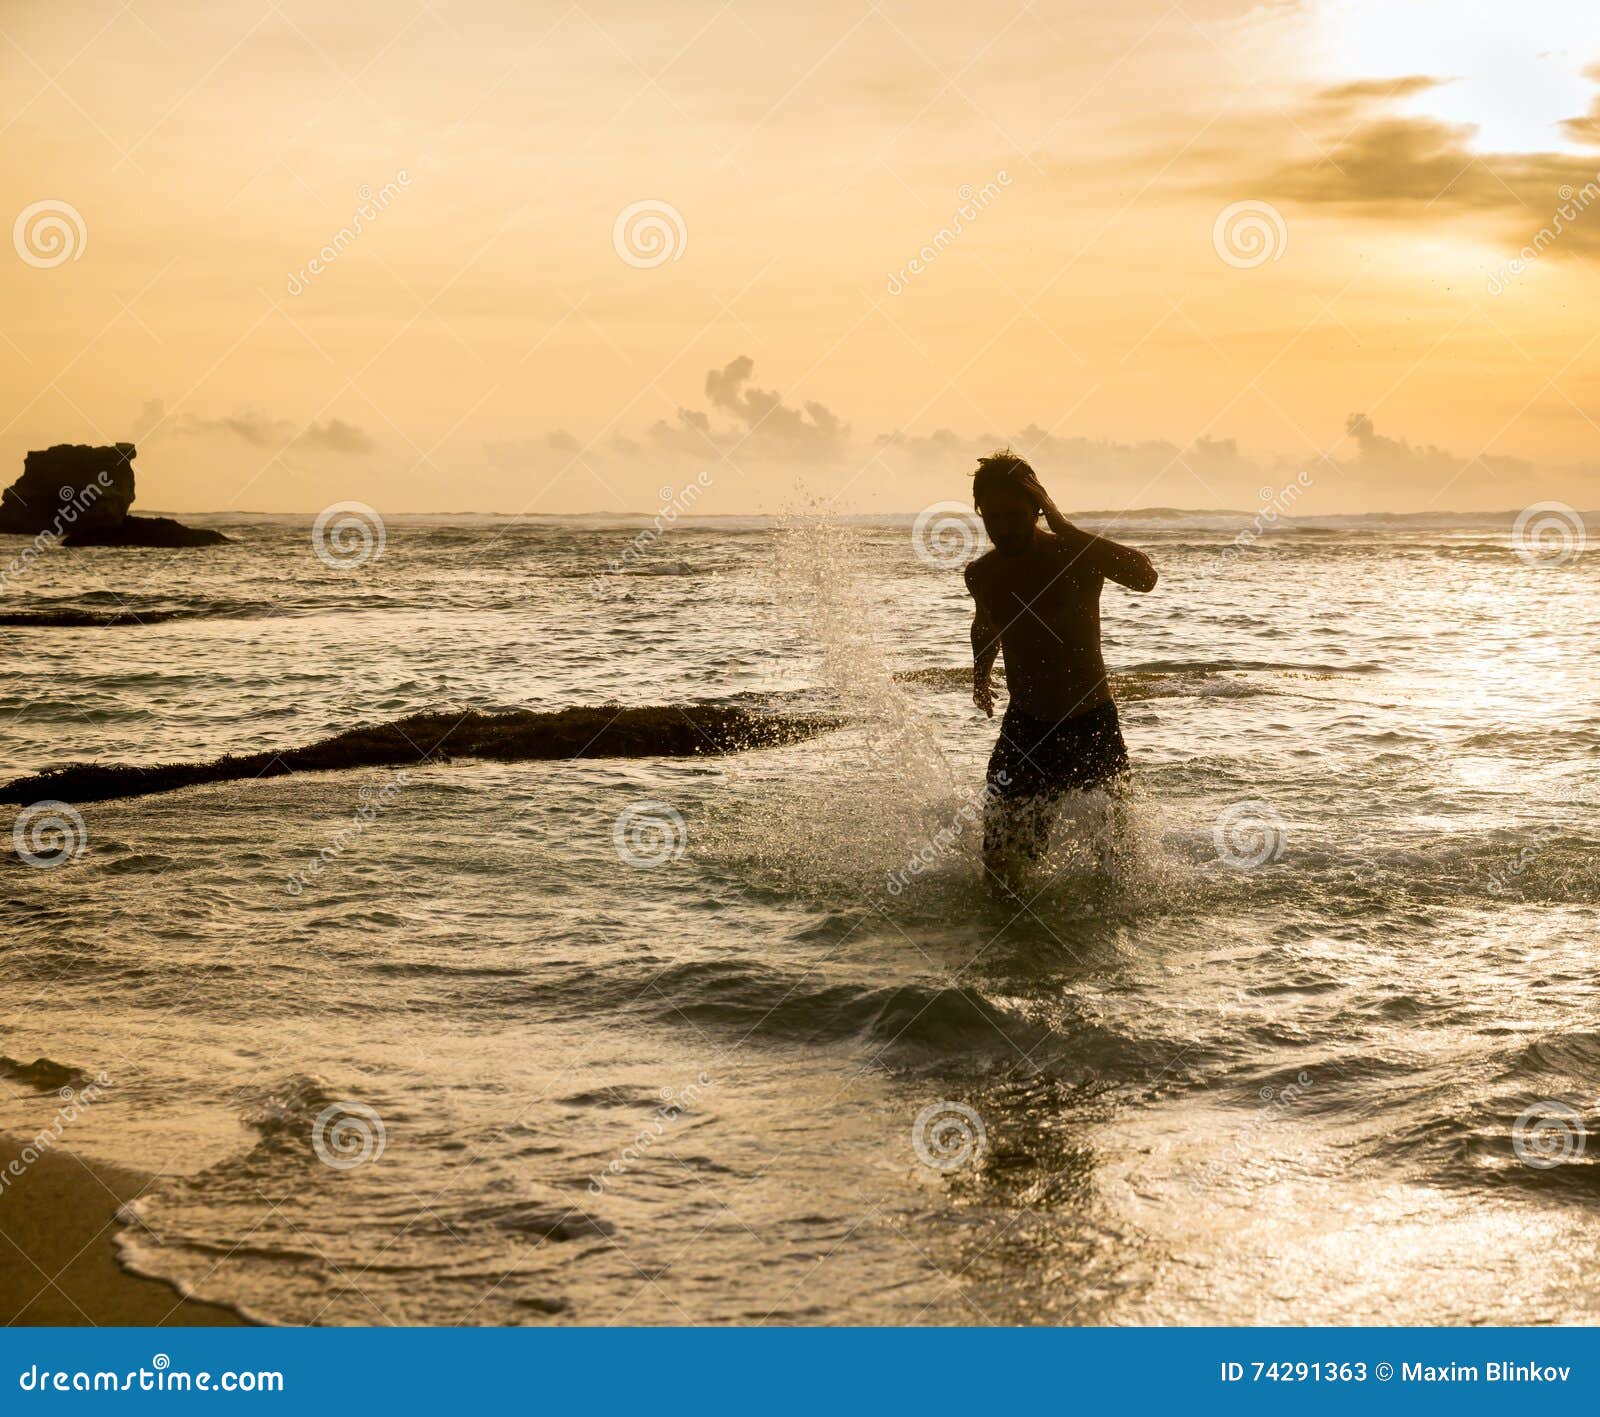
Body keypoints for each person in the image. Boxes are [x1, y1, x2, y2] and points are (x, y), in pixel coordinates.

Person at [963, 451, 1158, 886]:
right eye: (993, 517)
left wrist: (1066, 527)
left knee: (1117, 870)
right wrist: (981, 675)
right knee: (1000, 870)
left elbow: (1145, 577)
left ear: (1038, 509)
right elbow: (985, 623)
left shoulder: (1077, 556)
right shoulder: (983, 573)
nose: (1004, 528)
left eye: (1014, 515)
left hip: (1091, 724)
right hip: (1026, 730)